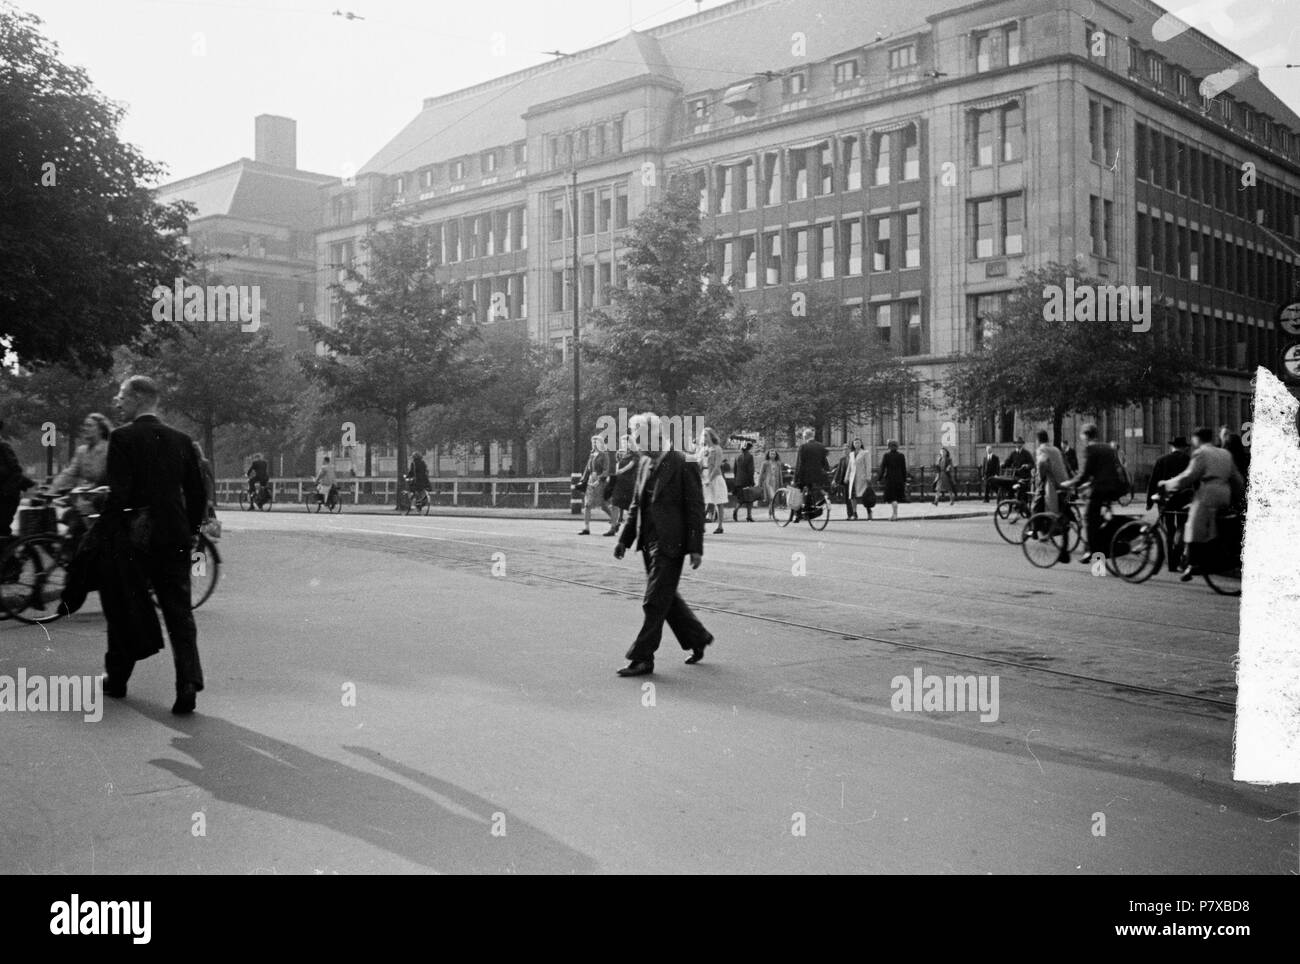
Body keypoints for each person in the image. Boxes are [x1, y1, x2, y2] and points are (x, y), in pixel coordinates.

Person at [99, 376, 207, 715]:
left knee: (125, 608)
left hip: (135, 538)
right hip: (173, 534)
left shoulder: (122, 438)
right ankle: (187, 682)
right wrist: (189, 530)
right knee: (179, 612)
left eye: (121, 396)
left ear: (138, 397)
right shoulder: (182, 440)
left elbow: (119, 495)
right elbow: (197, 493)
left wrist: (109, 531)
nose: (118, 402)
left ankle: (117, 679)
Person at [613, 412, 712, 677]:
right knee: (666, 597)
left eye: (639, 439)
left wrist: (695, 547)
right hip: (648, 541)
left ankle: (642, 658)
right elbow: (637, 504)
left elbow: (695, 507)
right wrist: (625, 539)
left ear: (656, 436)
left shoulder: (683, 462)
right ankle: (697, 637)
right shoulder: (645, 463)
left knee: (654, 601)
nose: (637, 445)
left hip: (672, 543)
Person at [1162, 427, 1245, 581]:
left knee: (1193, 525)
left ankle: (1193, 563)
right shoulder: (1224, 453)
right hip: (1224, 492)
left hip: (1208, 492)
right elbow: (1237, 479)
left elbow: (1188, 476)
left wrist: (1168, 484)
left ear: (1196, 439)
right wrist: (1242, 497)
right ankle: (1214, 557)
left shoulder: (1201, 453)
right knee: (1216, 526)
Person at [1061, 424, 1125, 562]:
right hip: (1113, 489)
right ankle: (1097, 550)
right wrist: (1086, 485)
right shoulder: (1108, 447)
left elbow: (1084, 474)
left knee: (1089, 518)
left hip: (1100, 489)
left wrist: (1070, 484)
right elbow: (1104, 471)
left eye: (1082, 435)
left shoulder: (1090, 449)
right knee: (1099, 520)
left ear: (1086, 435)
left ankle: (1092, 552)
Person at [1147, 437, 1192, 571]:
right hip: (1184, 500)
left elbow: (1153, 481)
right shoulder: (1189, 461)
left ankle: (1171, 564)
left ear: (1172, 447)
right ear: (1184, 447)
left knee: (1169, 530)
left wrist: (1149, 501)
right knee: (1181, 529)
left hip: (1166, 502)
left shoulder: (1162, 460)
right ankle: (1177, 559)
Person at [1034, 430, 1072, 564]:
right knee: (1064, 515)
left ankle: (1041, 531)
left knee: (1040, 506)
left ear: (1038, 440)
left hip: (1053, 486)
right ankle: (1064, 550)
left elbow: (1042, 463)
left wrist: (1040, 477)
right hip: (1065, 484)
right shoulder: (1055, 449)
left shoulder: (1041, 449)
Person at [51, 413, 112, 491]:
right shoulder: (81, 451)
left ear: (101, 430)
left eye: (89, 426)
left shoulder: (109, 449)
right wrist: (54, 487)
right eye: (85, 425)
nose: (85, 429)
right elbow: (69, 473)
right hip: (86, 494)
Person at [0, 419, 35, 539]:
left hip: (8, 498)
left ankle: (13, 552)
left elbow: (16, 471)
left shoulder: (3, 448)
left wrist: (5, 491)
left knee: (2, 530)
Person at [578, 435, 613, 535]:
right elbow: (587, 468)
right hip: (590, 481)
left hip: (600, 481)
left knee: (603, 505)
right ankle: (586, 528)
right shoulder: (592, 454)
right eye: (593, 442)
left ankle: (615, 521)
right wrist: (583, 480)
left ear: (600, 443)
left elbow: (606, 470)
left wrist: (599, 480)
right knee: (587, 505)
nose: (594, 444)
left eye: (596, 442)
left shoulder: (604, 454)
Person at [697, 427, 728, 535]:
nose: (704, 438)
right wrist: (701, 477)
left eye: (706, 435)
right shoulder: (702, 449)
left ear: (711, 436)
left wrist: (709, 479)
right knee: (703, 501)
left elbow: (717, 466)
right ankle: (701, 525)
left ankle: (720, 526)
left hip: (715, 477)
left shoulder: (717, 448)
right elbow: (699, 465)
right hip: (704, 476)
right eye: (703, 435)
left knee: (718, 501)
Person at [792, 428, 829, 518]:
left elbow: (800, 464)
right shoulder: (821, 446)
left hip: (806, 475)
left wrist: (796, 478)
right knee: (811, 489)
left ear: (805, 437)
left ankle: (798, 514)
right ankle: (810, 508)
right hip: (818, 475)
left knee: (798, 490)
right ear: (813, 436)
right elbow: (825, 463)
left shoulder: (803, 447)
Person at [607, 436, 639, 535]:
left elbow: (631, 465)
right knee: (614, 504)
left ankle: (636, 529)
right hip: (619, 482)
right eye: (623, 443)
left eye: (627, 443)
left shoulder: (635, 454)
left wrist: (621, 470)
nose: (625, 445)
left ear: (631, 443)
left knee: (630, 507)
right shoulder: (622, 454)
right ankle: (613, 528)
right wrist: (614, 475)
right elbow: (617, 466)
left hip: (629, 483)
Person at [878, 440, 908, 521]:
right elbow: (904, 469)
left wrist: (879, 478)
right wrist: (904, 480)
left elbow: (882, 468)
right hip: (899, 479)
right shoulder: (901, 456)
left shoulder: (886, 456)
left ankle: (894, 514)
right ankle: (895, 514)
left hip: (890, 479)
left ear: (889, 447)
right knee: (896, 498)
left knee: (892, 498)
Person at [731, 441, 756, 522]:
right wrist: (752, 481)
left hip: (738, 481)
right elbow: (751, 470)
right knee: (750, 498)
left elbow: (734, 470)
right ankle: (749, 515)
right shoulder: (750, 456)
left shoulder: (737, 456)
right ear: (749, 448)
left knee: (741, 497)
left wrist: (736, 480)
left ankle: (736, 509)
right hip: (747, 480)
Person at [849, 438, 874, 520]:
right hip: (853, 478)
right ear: (853, 444)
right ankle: (855, 513)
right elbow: (850, 467)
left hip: (862, 478)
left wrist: (868, 477)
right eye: (855, 443)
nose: (857, 444)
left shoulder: (865, 453)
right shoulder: (851, 454)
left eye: (858, 443)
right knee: (853, 496)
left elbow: (868, 465)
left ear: (861, 444)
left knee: (865, 496)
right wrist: (846, 477)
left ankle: (869, 512)